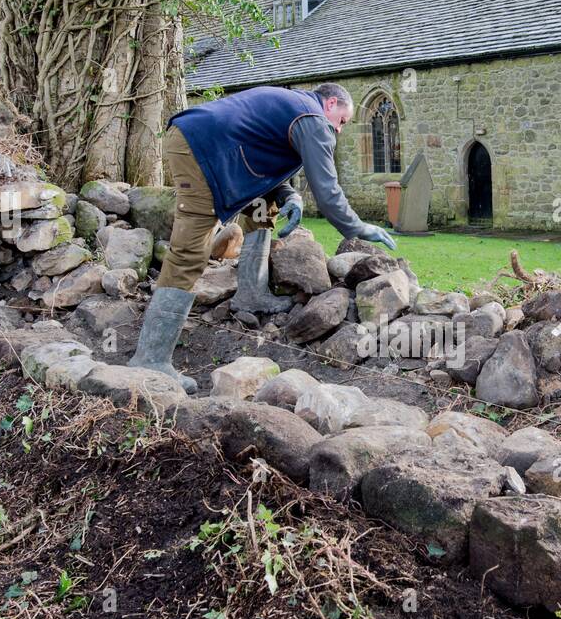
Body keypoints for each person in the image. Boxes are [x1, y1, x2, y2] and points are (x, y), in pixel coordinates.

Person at [128, 82, 397, 392]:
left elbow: (263, 163)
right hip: (200, 151)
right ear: (331, 104)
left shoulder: (294, 109)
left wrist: (290, 198)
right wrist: (357, 228)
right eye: (342, 121)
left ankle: (252, 293)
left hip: (199, 143)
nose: (339, 131)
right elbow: (327, 191)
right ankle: (150, 358)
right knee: (190, 252)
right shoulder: (312, 119)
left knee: (261, 207)